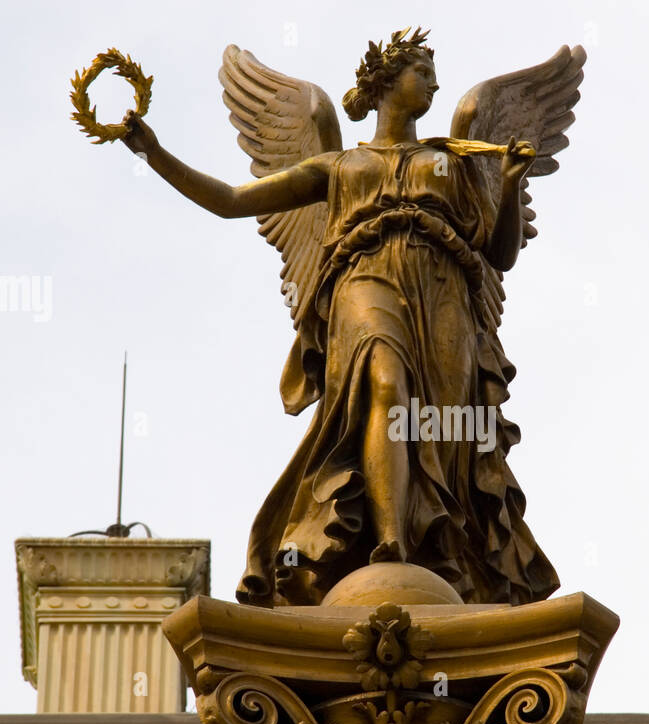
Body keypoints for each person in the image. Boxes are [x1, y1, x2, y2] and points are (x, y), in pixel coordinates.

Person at [121, 30, 560, 605]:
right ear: (385, 80)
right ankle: (389, 544)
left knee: (441, 427)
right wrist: (154, 153)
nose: (433, 82)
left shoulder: (453, 159)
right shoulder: (338, 164)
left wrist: (507, 182)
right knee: (384, 383)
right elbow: (230, 201)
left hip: (444, 293)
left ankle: (435, 546)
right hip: (365, 282)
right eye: (422, 70)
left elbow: (498, 253)